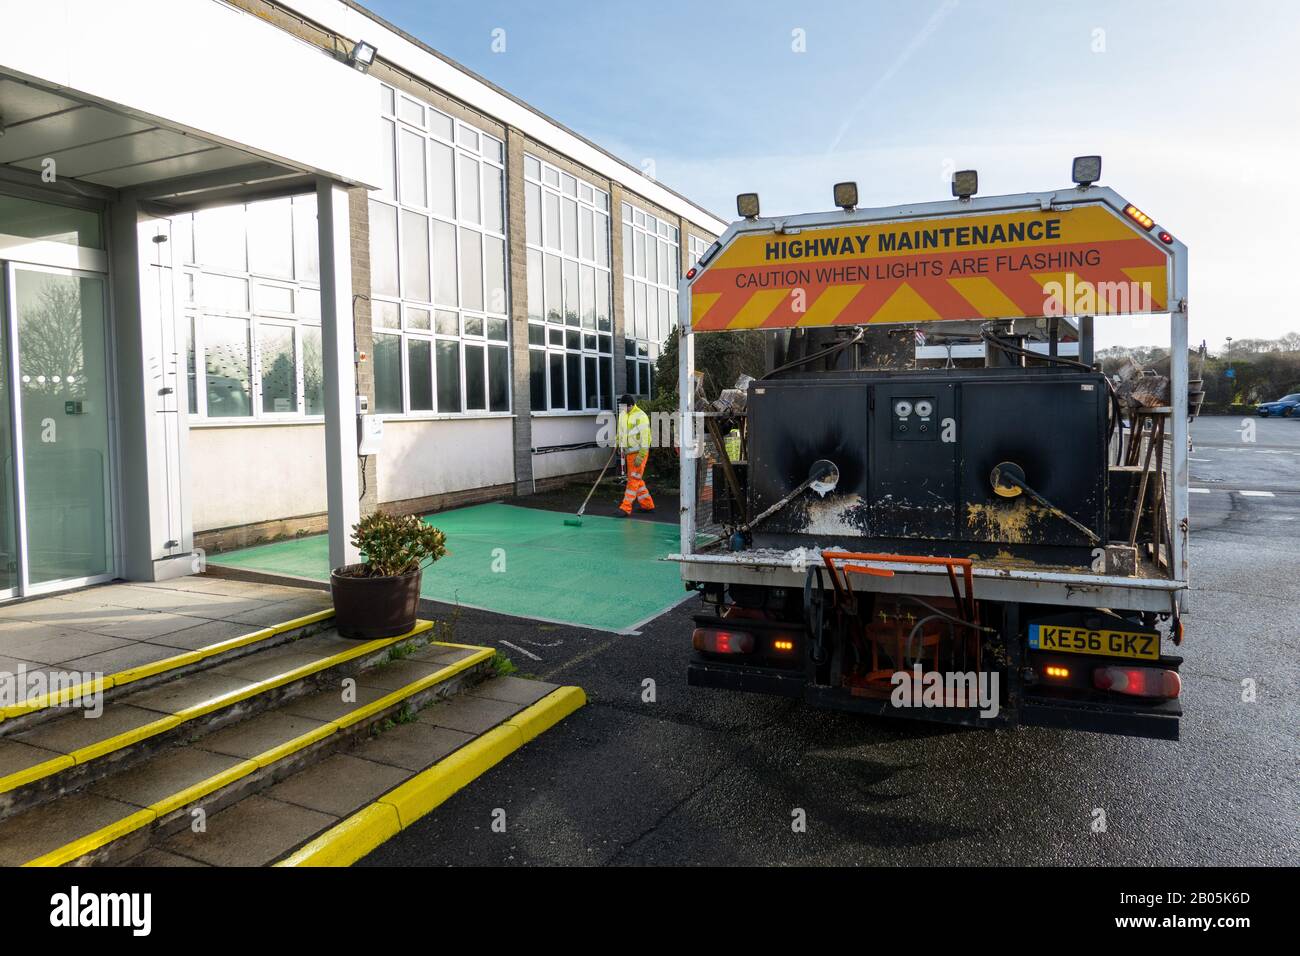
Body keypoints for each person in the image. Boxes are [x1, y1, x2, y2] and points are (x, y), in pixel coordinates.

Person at [616, 393, 655, 515]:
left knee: (633, 480)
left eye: (625, 407)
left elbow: (646, 438)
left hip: (639, 454)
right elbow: (620, 432)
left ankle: (625, 508)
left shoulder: (641, 416)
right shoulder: (623, 415)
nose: (623, 410)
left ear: (631, 405)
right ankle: (647, 505)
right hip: (629, 454)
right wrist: (618, 444)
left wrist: (641, 455)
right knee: (637, 480)